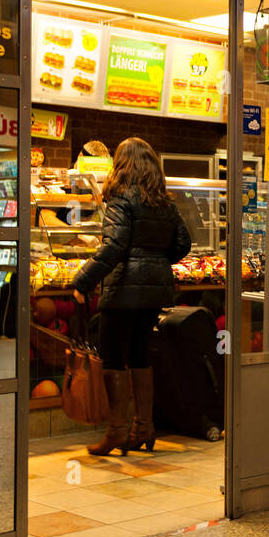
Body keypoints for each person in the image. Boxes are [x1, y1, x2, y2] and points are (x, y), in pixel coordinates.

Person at [72, 137, 191, 456]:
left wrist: (82, 281)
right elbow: (183, 244)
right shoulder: (164, 202)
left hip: (123, 287)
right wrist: (154, 259)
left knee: (113, 354)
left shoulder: (120, 197)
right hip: (154, 290)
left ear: (120, 165)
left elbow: (114, 246)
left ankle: (116, 432)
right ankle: (144, 428)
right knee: (139, 353)